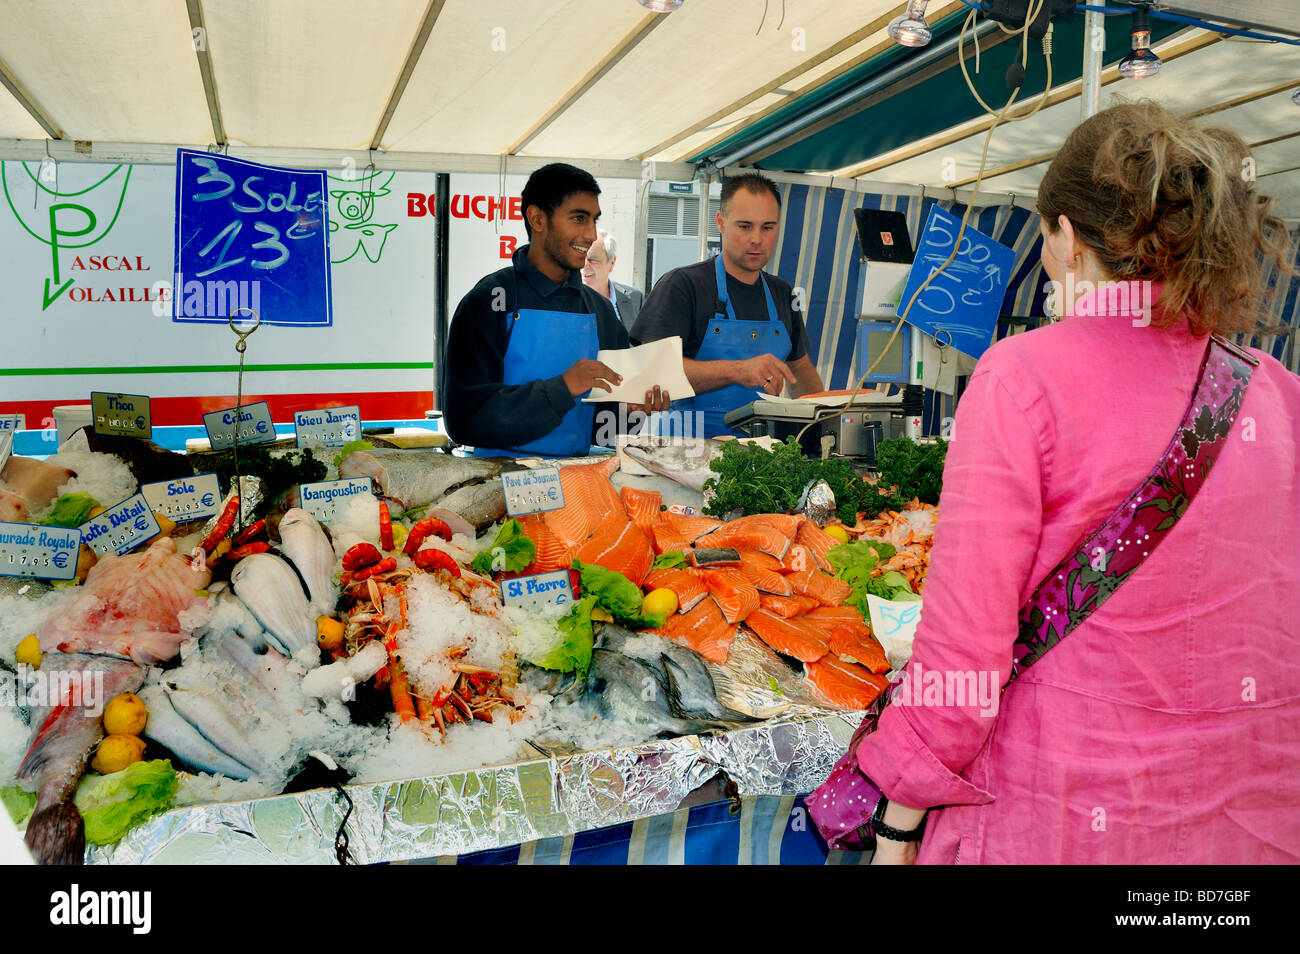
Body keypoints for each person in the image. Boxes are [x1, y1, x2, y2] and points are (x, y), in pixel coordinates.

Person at [855, 102, 1300, 864]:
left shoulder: (1020, 377)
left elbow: (962, 664)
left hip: (1063, 812)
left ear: (1064, 236)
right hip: (1250, 820)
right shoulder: (1278, 392)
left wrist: (899, 815)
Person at [443, 164, 669, 457]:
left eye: (594, 220)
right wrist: (563, 388)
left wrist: (633, 411)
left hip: (578, 480)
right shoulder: (489, 301)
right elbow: (465, 420)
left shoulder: (599, 310)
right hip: (500, 486)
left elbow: (603, 431)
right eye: (578, 218)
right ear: (537, 219)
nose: (590, 235)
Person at [630, 172, 824, 437]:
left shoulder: (782, 293)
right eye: (745, 226)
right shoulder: (683, 285)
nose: (756, 238)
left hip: (761, 455)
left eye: (768, 227)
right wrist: (738, 370)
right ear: (720, 222)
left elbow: (801, 371)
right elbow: (652, 371)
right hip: (686, 453)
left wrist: (824, 421)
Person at [581, 231, 643, 332]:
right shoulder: (564, 300)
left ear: (612, 263)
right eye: (581, 258)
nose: (584, 266)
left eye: (593, 260)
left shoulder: (635, 299)